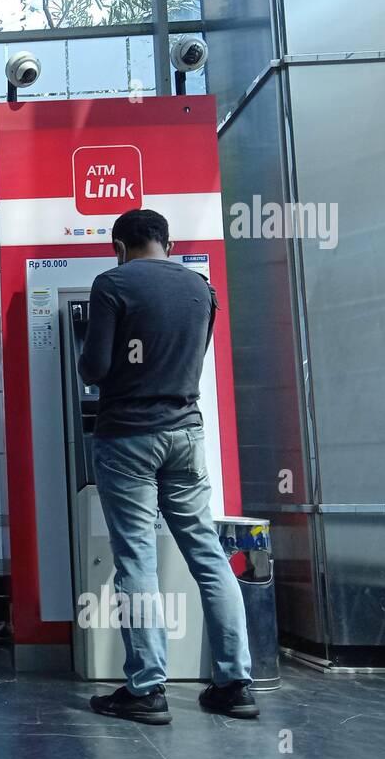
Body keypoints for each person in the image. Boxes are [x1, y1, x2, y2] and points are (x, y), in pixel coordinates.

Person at [77, 208, 257, 725]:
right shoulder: (202, 289)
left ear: (119, 244)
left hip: (129, 435)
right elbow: (195, 356)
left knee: (137, 561)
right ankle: (235, 683)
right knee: (208, 554)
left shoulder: (111, 283)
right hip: (185, 433)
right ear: (167, 241)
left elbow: (94, 368)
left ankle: (147, 689)